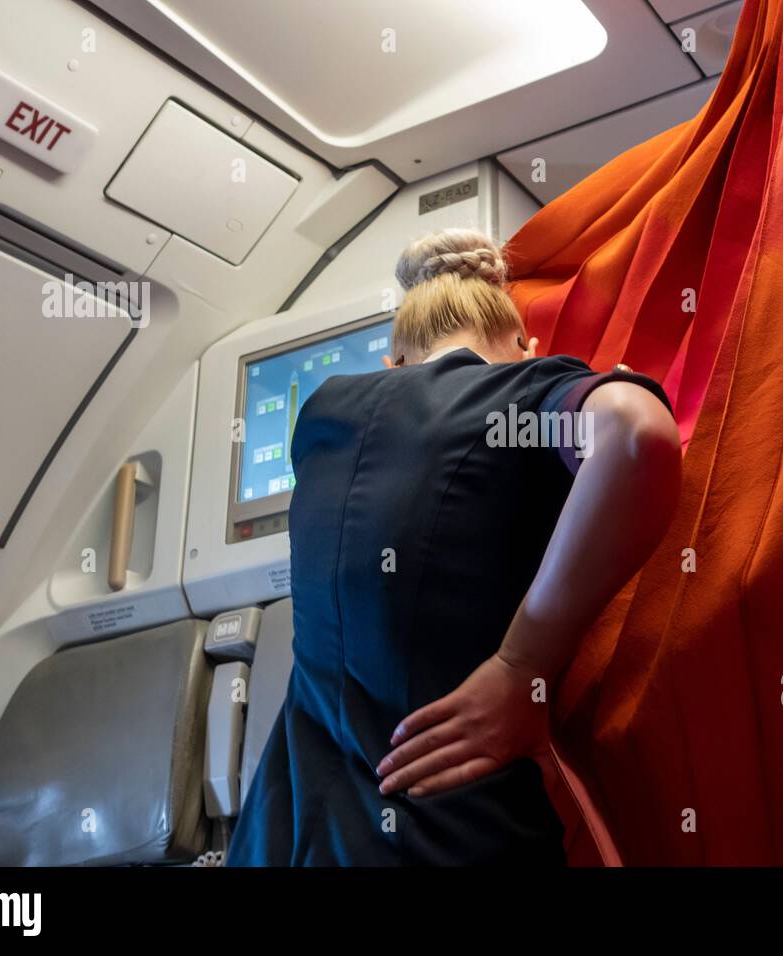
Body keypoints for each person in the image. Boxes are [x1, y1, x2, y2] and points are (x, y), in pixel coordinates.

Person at [226, 228, 681, 865]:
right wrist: (524, 666)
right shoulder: (522, 393)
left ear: (394, 364)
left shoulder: (321, 416)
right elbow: (638, 436)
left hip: (282, 834)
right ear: (528, 349)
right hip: (449, 837)